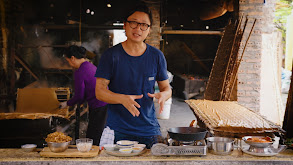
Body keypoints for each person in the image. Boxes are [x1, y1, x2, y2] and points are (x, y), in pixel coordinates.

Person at [95, 3, 172, 148]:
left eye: (144, 25)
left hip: (149, 129)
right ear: (125, 25)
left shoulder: (156, 56)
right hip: (118, 129)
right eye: (133, 23)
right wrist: (122, 99)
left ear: (149, 30)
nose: (138, 29)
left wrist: (164, 95)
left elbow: (166, 88)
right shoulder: (110, 56)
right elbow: (99, 92)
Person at [60, 45, 107, 145]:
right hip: (105, 103)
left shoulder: (80, 71)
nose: (69, 64)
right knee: (97, 133)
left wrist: (67, 103)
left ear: (72, 58)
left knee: (93, 137)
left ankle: (94, 157)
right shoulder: (90, 65)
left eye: (68, 61)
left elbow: (80, 96)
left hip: (99, 105)